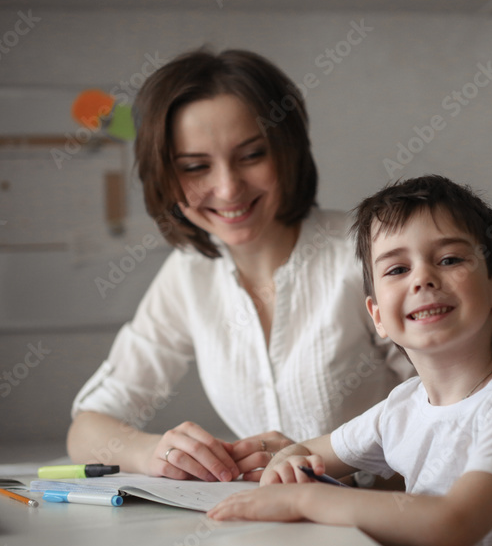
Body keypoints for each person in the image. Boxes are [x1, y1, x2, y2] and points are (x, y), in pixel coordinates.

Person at [208, 175, 492, 546]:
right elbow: (304, 451)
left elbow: (451, 526)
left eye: (448, 259)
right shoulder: (402, 406)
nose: (422, 278)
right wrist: (288, 468)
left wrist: (304, 497)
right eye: (397, 269)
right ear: (378, 317)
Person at [67, 47, 413, 483]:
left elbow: (451, 406)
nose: (228, 188)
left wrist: (314, 460)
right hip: (274, 528)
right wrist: (156, 452)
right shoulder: (189, 272)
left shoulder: (369, 252)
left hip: (394, 531)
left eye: (252, 156)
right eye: (195, 166)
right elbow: (88, 426)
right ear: (163, 177)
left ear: (289, 151)